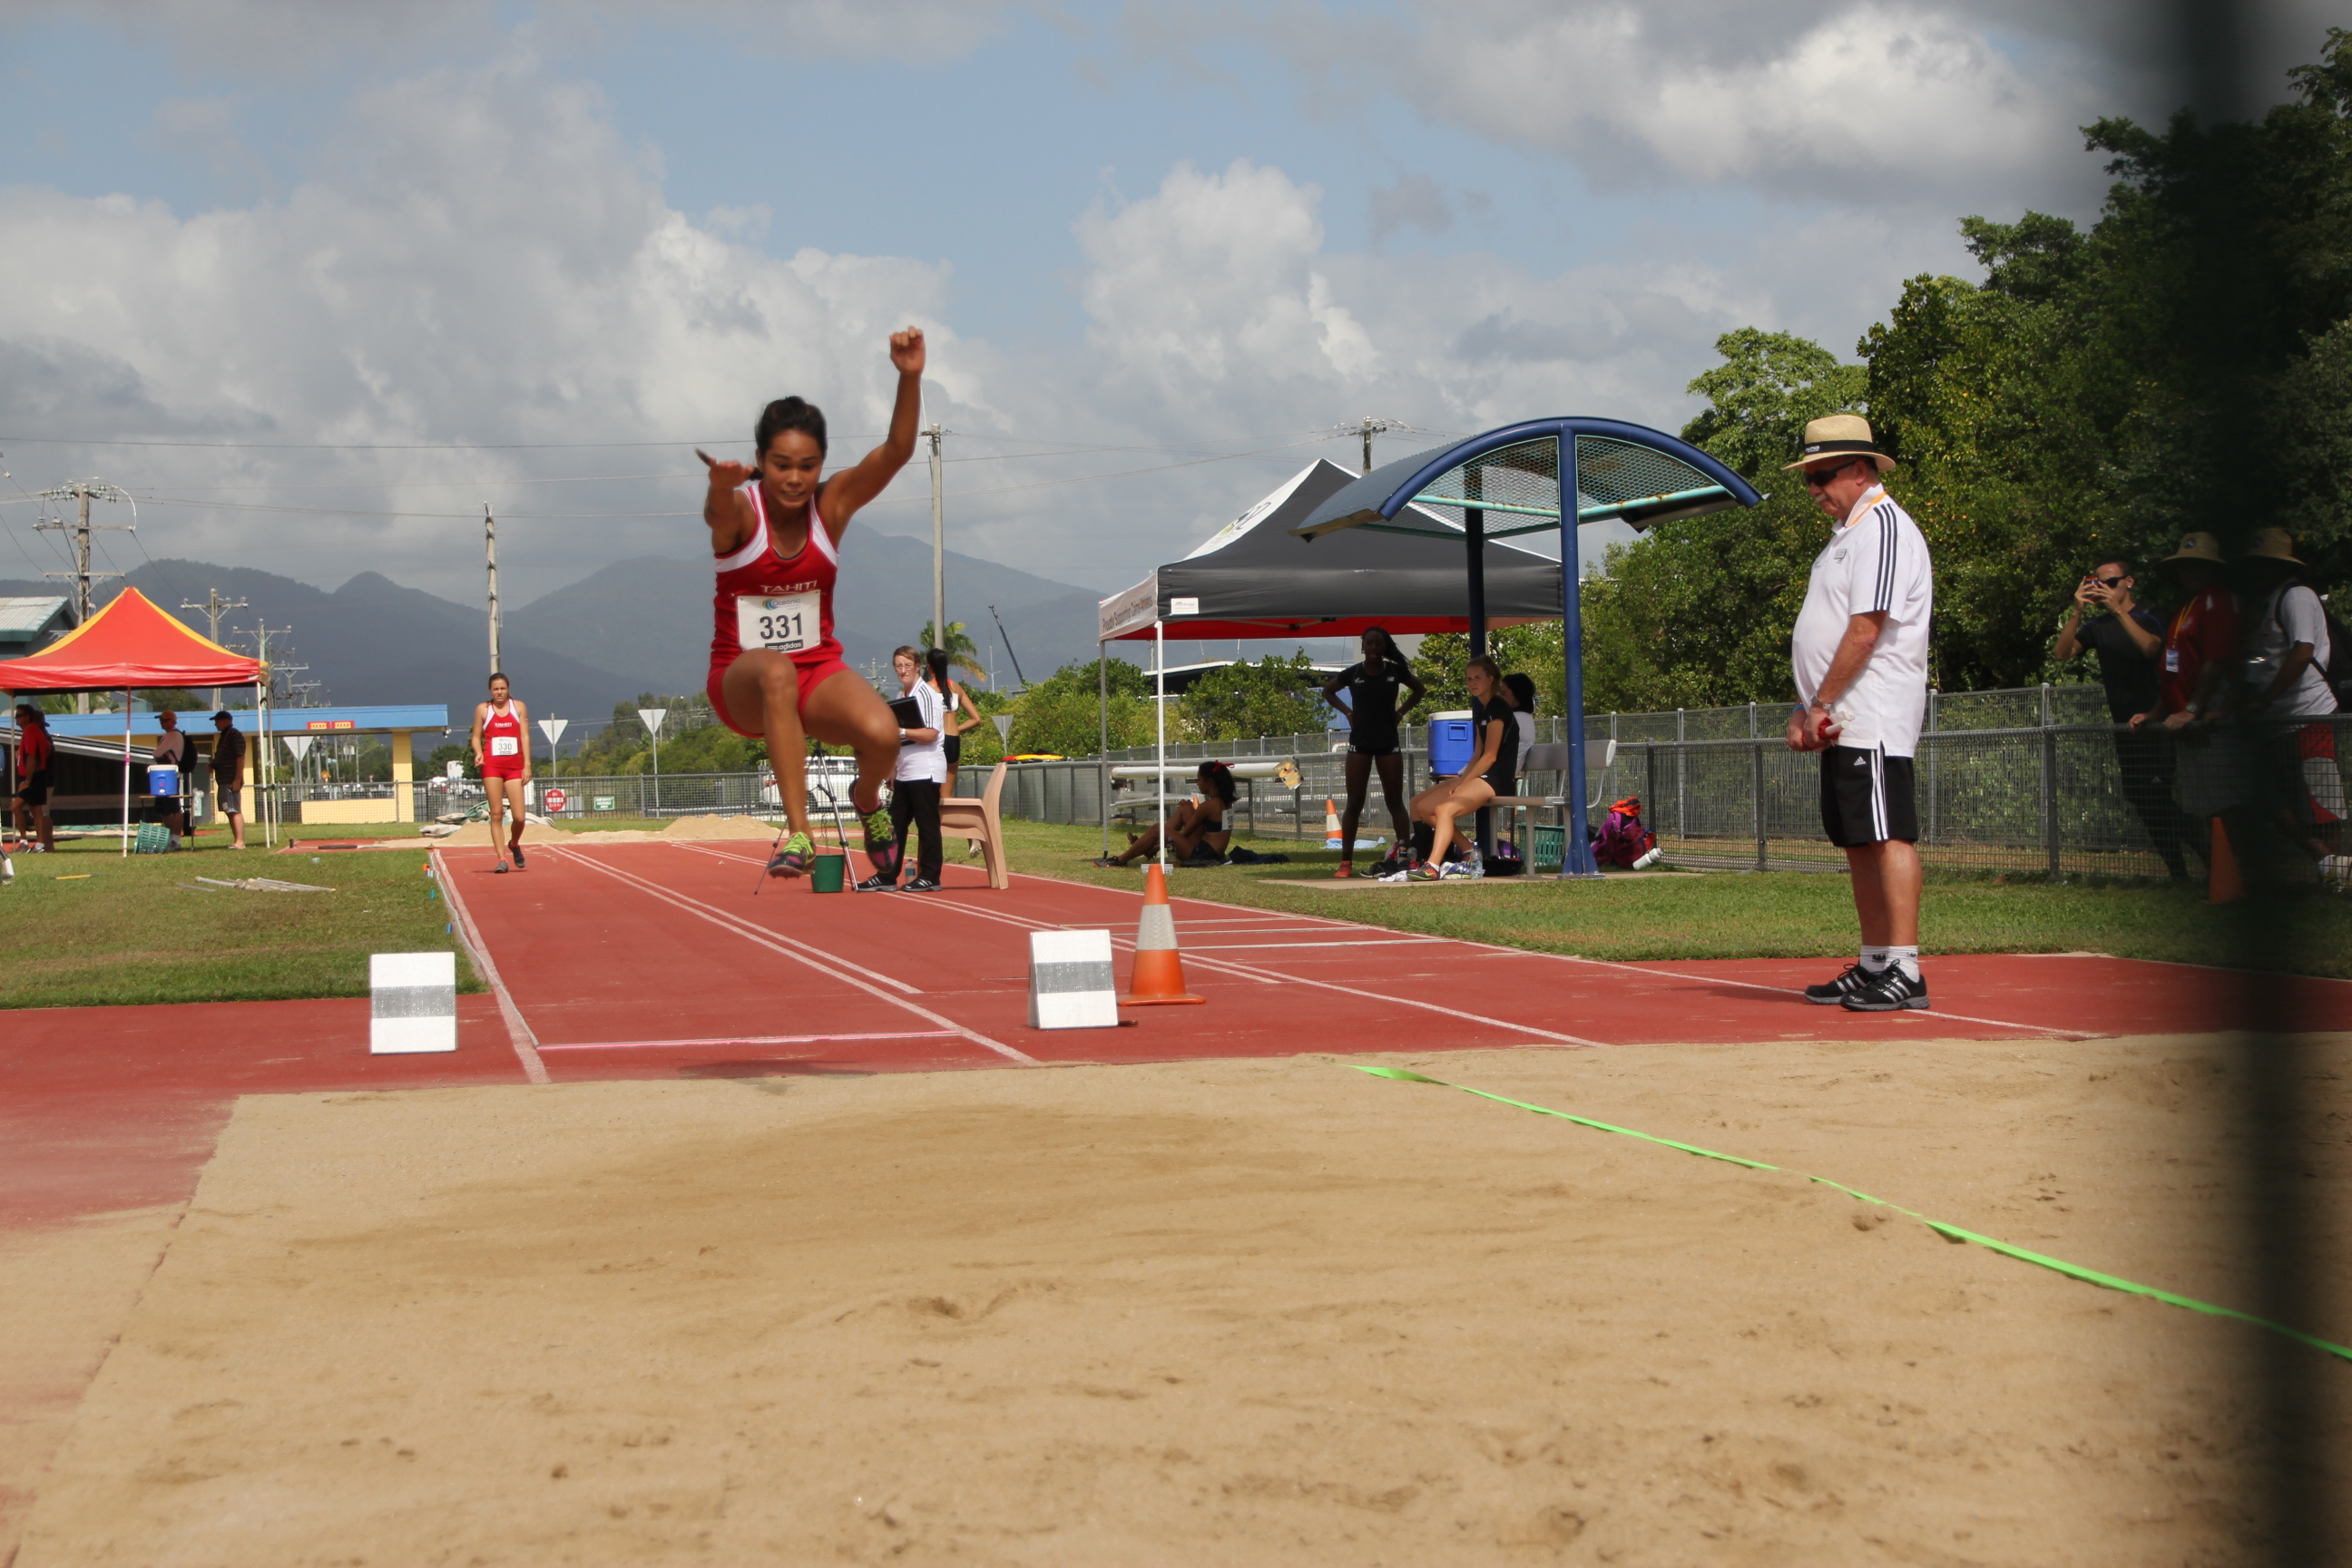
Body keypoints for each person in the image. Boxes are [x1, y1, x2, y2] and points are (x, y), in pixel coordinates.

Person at [699, 328, 926, 877]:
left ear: (822, 463)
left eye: (807, 466)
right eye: (781, 465)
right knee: (775, 669)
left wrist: (909, 375)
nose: (795, 479)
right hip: (742, 679)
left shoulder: (832, 506)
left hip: (817, 670)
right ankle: (800, 834)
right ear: (760, 461)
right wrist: (719, 487)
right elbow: (718, 517)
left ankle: (867, 800)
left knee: (882, 733)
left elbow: (897, 452)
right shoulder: (743, 512)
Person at [1782, 416, 1934, 1013]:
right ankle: (1875, 963)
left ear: (1860, 469)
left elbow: (1866, 630)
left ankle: (1905, 967)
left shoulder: (1883, 528)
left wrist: (1821, 703)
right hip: (1839, 712)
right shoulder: (1847, 534)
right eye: (1808, 479)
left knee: (1887, 832)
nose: (1815, 488)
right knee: (1857, 838)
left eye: (1822, 475)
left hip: (1871, 710)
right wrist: (1807, 705)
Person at [2053, 554, 2196, 879]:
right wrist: (2077, 611)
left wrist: (2118, 612)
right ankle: (2179, 873)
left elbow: (2151, 648)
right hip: (2126, 727)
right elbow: (2062, 653)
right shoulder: (2097, 627)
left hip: (2157, 722)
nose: (2104, 588)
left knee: (2159, 798)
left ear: (2129, 582)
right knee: (2142, 799)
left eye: (2111, 582)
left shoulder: (2150, 615)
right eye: (2098, 582)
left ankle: (2212, 858)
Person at [2129, 534, 2249, 867]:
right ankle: (2224, 878)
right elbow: (2173, 671)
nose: (2189, 572)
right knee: (2207, 806)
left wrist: (2194, 709)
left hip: (2210, 721)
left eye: (2197, 565)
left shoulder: (2220, 601)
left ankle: (2240, 877)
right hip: (2185, 723)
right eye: (2183, 566)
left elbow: (2219, 659)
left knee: (2226, 804)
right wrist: (2155, 712)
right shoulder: (2184, 608)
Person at [2234, 527, 2342, 866]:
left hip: (2309, 713)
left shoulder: (2297, 596)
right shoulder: (2265, 603)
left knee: (2322, 803)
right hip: (2278, 720)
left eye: (2262, 564)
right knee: (2270, 799)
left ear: (2278, 565)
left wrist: (2264, 698)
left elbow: (2302, 651)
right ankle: (2329, 864)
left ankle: (2334, 871)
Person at [1319, 627, 1425, 877]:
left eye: (1379, 644)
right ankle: (1346, 862)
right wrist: (1348, 712)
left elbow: (1419, 690)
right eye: (1370, 644)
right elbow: (1327, 691)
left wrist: (1400, 714)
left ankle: (1405, 857)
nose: (1374, 648)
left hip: (1388, 743)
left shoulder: (1394, 671)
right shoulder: (1354, 672)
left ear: (1384, 646)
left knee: (1395, 802)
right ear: (1363, 645)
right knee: (1354, 803)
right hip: (1360, 744)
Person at [1407, 654, 1516, 879]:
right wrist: (1461, 779)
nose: (1472, 682)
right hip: (1481, 775)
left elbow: (1490, 756)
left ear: (1491, 679)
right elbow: (1477, 753)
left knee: (1444, 809)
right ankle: (1468, 851)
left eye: (1478, 677)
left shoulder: (1498, 708)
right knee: (1420, 806)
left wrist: (1463, 783)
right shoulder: (1482, 710)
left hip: (1496, 779)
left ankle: (1432, 866)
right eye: (1469, 679)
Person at [859, 646, 946, 892]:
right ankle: (887, 876)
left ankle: (931, 876)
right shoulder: (900, 696)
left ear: (918, 666)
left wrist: (900, 731)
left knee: (927, 825)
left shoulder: (927, 695)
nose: (903, 670)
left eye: (908, 665)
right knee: (895, 825)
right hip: (905, 771)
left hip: (925, 769)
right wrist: (892, 770)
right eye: (899, 665)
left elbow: (930, 734)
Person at [1094, 760, 1235, 867]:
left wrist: (1158, 846)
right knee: (1185, 809)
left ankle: (1121, 860)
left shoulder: (1209, 806)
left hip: (1204, 856)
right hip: (1215, 853)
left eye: (1199, 779)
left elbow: (1185, 834)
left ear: (1209, 781)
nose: (1198, 783)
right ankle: (1147, 845)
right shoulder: (1223, 802)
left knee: (1158, 829)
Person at [470, 672, 533, 873]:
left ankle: (514, 844)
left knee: (520, 817)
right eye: (496, 689)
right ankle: (502, 859)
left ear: (508, 689)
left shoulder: (519, 707)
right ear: (490, 690)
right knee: (496, 814)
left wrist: (527, 765)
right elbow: (475, 737)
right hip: (492, 767)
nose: (499, 692)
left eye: (503, 688)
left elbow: (524, 736)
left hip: (514, 767)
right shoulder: (483, 709)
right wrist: (479, 753)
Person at [9, 704, 55, 853]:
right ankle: (40, 844)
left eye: (19, 716)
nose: (16, 719)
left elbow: (32, 757)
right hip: (36, 775)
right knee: (37, 810)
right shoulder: (35, 732)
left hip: (33, 777)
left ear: (27, 717)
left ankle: (24, 840)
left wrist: (27, 780)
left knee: (16, 806)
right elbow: (46, 748)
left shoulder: (31, 732)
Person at [933, 650, 978, 799]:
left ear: (928, 666)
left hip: (936, 741)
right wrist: (956, 729)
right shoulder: (956, 687)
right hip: (953, 740)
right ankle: (950, 822)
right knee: (946, 795)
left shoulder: (926, 688)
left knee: (931, 794)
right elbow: (976, 718)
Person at [210, 709, 250, 850]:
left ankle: (240, 841)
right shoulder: (225, 736)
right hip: (223, 779)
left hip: (231, 779)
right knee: (229, 810)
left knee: (234, 809)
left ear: (226, 720)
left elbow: (240, 757)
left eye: (217, 721)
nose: (215, 724)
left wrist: (237, 779)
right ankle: (236, 840)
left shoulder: (234, 734)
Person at [150, 709, 190, 839]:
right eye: (161, 720)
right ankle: (169, 838)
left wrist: (159, 752)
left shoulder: (173, 735)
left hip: (169, 776)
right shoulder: (170, 735)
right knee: (164, 809)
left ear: (171, 721)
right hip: (164, 774)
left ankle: (175, 839)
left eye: (164, 720)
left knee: (173, 808)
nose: (161, 723)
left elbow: (156, 753)